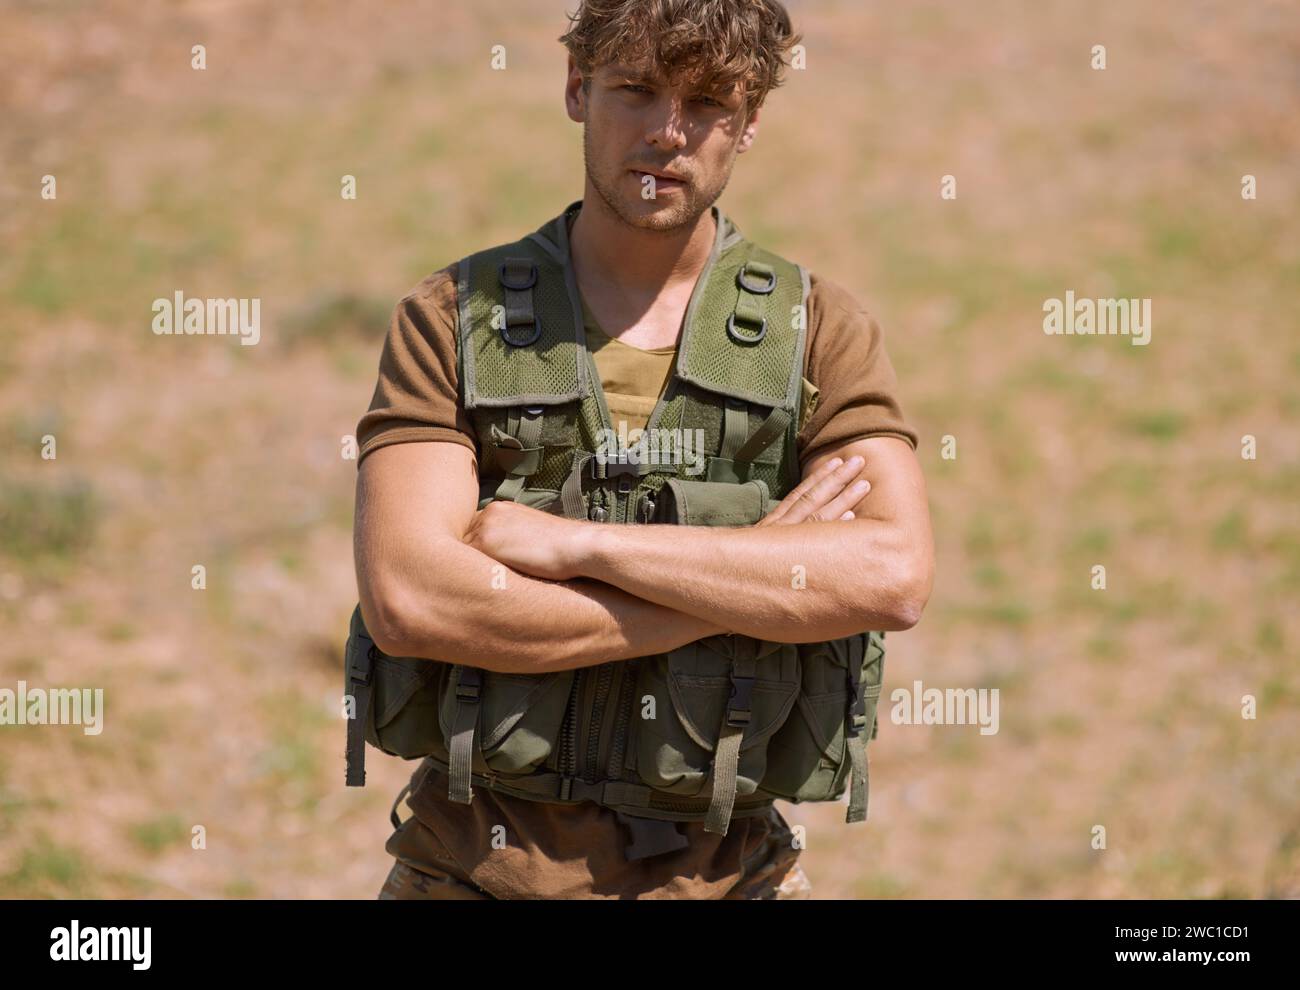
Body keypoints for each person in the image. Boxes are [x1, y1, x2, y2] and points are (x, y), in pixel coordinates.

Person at [354, 0, 934, 900]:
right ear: (577, 89)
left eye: (708, 103)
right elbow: (410, 596)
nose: (668, 133)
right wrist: (751, 585)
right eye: (635, 90)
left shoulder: (817, 330)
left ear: (748, 126)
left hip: (727, 878)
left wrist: (587, 548)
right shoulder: (453, 319)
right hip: (475, 870)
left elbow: (892, 573)